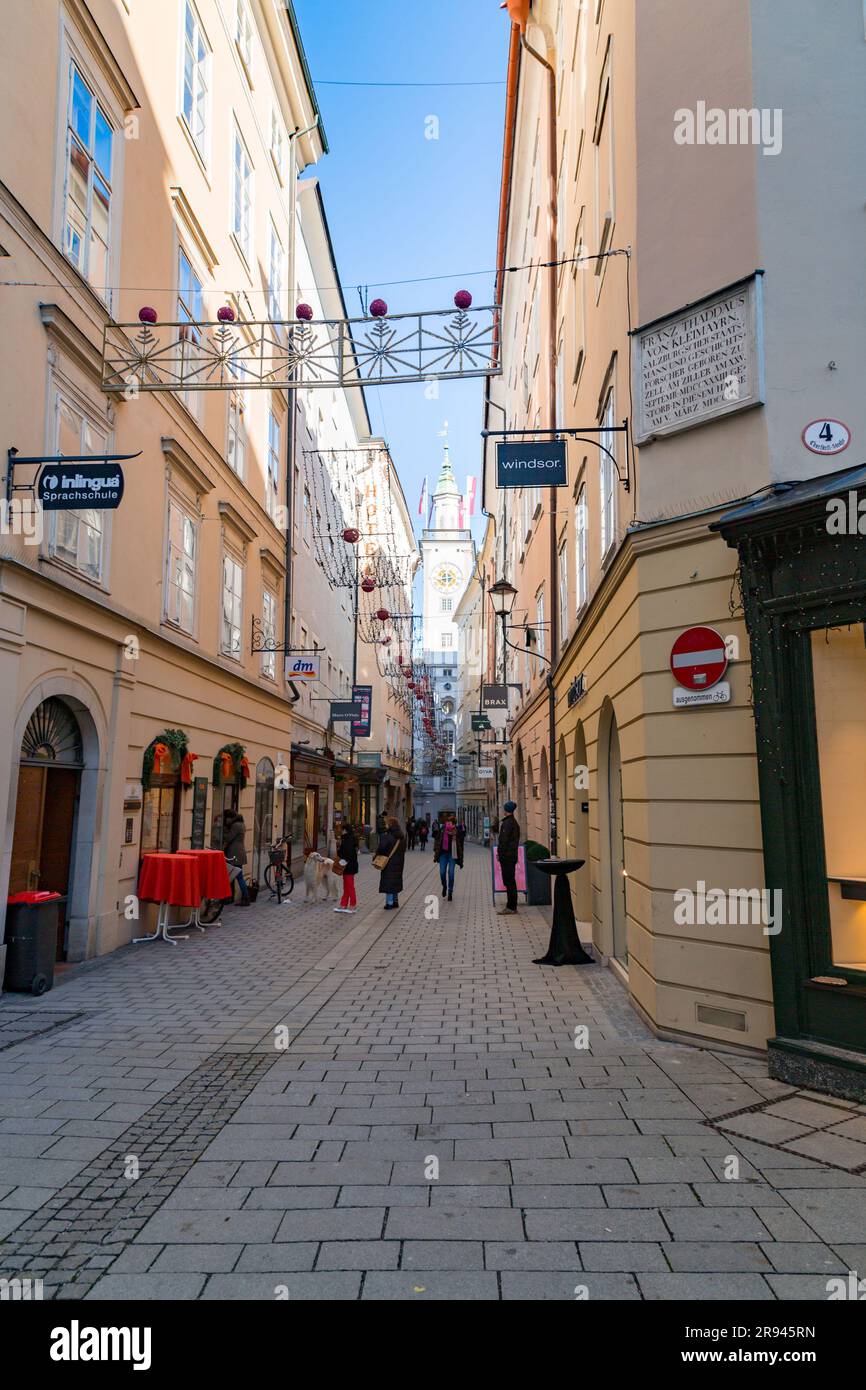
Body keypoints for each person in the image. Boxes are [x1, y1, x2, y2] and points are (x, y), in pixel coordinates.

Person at [223, 809, 251, 906]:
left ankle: (245, 898)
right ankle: (237, 897)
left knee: (237, 876)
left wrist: (224, 830)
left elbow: (229, 838)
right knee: (236, 875)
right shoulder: (240, 823)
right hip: (239, 852)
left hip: (234, 854)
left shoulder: (235, 826)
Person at [377, 815, 405, 909]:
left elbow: (381, 849)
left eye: (387, 824)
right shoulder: (401, 837)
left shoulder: (387, 836)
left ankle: (389, 903)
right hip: (399, 863)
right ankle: (395, 901)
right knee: (395, 881)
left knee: (389, 882)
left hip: (389, 863)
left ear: (390, 825)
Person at [497, 801, 520, 915]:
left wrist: (500, 855)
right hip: (511, 856)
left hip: (507, 857)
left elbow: (503, 842)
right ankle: (512, 906)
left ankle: (511, 907)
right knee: (511, 881)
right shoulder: (514, 823)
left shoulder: (508, 824)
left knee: (509, 881)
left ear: (506, 810)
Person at [334, 821, 359, 913]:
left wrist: (341, 855)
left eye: (342, 830)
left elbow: (348, 853)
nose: (341, 831)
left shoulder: (348, 840)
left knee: (350, 886)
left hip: (348, 866)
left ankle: (353, 905)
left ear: (345, 830)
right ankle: (343, 905)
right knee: (346, 886)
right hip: (348, 866)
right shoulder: (347, 839)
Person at [437, 817, 461, 902]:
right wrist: (436, 851)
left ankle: (450, 892)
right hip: (443, 854)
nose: (450, 824)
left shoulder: (456, 831)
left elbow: (460, 845)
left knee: (451, 873)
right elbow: (438, 840)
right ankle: (444, 886)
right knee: (442, 872)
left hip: (452, 854)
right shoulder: (443, 829)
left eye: (452, 823)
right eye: (449, 822)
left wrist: (461, 858)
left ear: (454, 824)